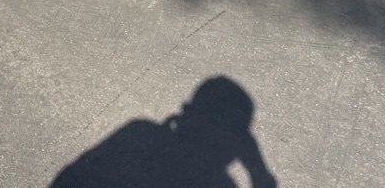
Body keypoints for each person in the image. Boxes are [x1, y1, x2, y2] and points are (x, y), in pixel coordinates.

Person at [51, 76, 277, 187]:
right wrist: (259, 172)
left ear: (187, 112)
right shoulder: (217, 184)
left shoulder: (139, 134)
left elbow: (67, 179)